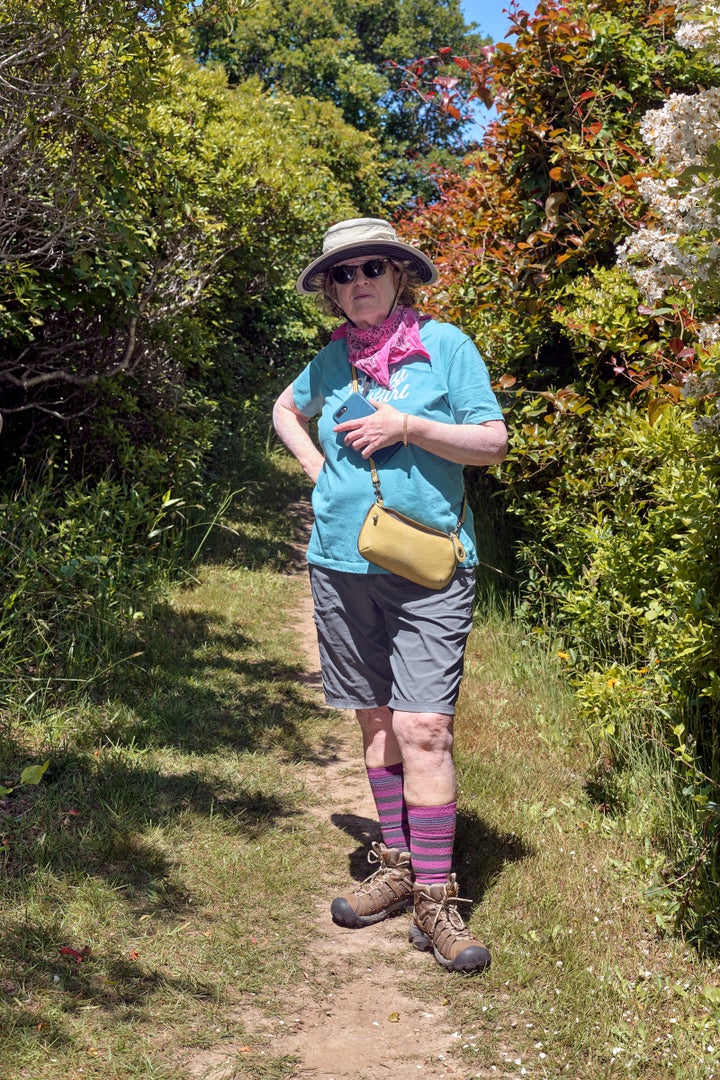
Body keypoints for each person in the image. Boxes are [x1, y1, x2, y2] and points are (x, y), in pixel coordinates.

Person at [272, 218, 508, 974]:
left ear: (399, 274)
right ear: (331, 291)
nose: (358, 281)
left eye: (372, 266)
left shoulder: (447, 347)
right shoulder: (331, 360)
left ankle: (437, 897)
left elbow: (494, 442)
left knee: (425, 729)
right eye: (342, 274)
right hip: (341, 563)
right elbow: (285, 409)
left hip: (429, 566)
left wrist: (408, 424)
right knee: (376, 720)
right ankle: (400, 865)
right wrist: (317, 469)